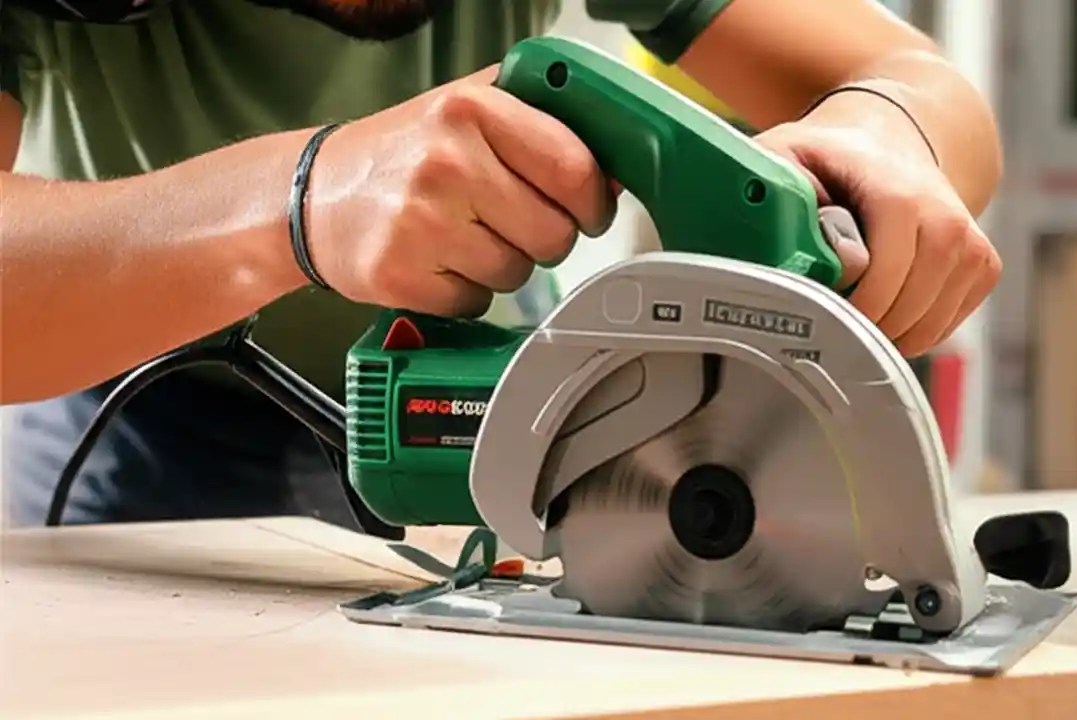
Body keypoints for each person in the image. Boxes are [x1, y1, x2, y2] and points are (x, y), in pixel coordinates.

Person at [0, 0, 1004, 531]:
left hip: (489, 411)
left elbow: (914, 75)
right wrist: (299, 198)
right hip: (133, 407)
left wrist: (888, 134)